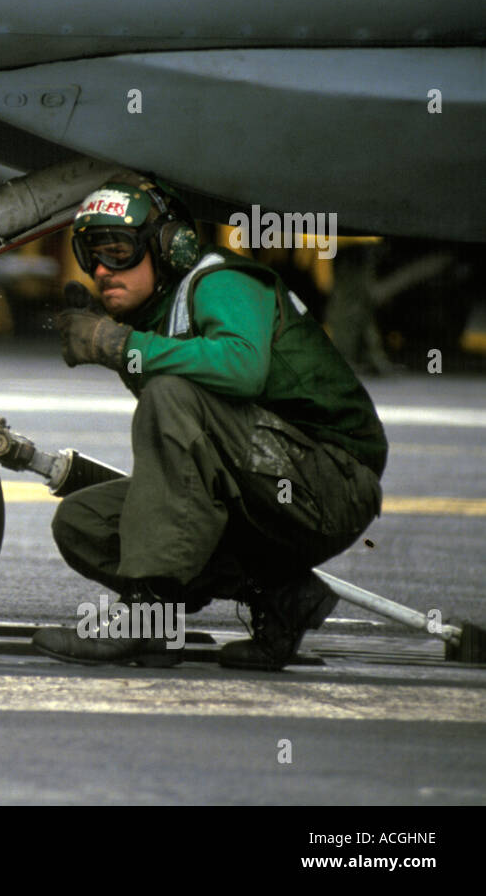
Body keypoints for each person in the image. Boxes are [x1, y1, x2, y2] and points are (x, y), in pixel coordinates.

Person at [35, 172, 387, 670]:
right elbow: (193, 425)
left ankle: (148, 618)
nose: (100, 269)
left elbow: (239, 368)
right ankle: (281, 596)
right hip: (266, 481)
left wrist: (122, 346)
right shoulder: (158, 310)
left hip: (331, 483)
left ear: (171, 248)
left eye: (117, 250)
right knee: (84, 523)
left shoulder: (219, 279)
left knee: (170, 393)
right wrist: (125, 344)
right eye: (89, 253)